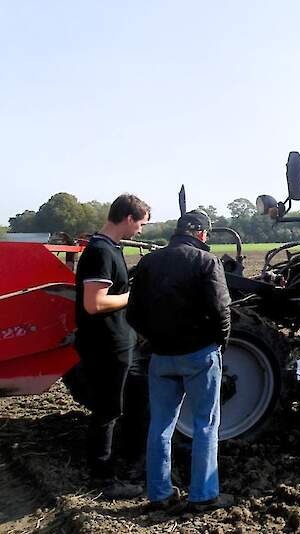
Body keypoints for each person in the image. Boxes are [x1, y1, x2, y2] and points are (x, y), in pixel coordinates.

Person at [127, 210, 234, 513]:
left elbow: (133, 312)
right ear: (201, 234)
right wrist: (219, 344)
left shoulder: (150, 262)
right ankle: (203, 496)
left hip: (161, 357)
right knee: (205, 425)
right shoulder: (206, 262)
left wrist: (152, 339)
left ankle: (159, 495)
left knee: (160, 425)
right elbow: (221, 311)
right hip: (199, 354)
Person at [74, 193, 151, 499]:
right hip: (106, 343)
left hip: (122, 341)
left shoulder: (112, 248)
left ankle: (132, 461)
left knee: (137, 398)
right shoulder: (100, 252)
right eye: (141, 223)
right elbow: (94, 304)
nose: (142, 231)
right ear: (128, 218)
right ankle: (102, 478)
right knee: (107, 410)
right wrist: (134, 296)